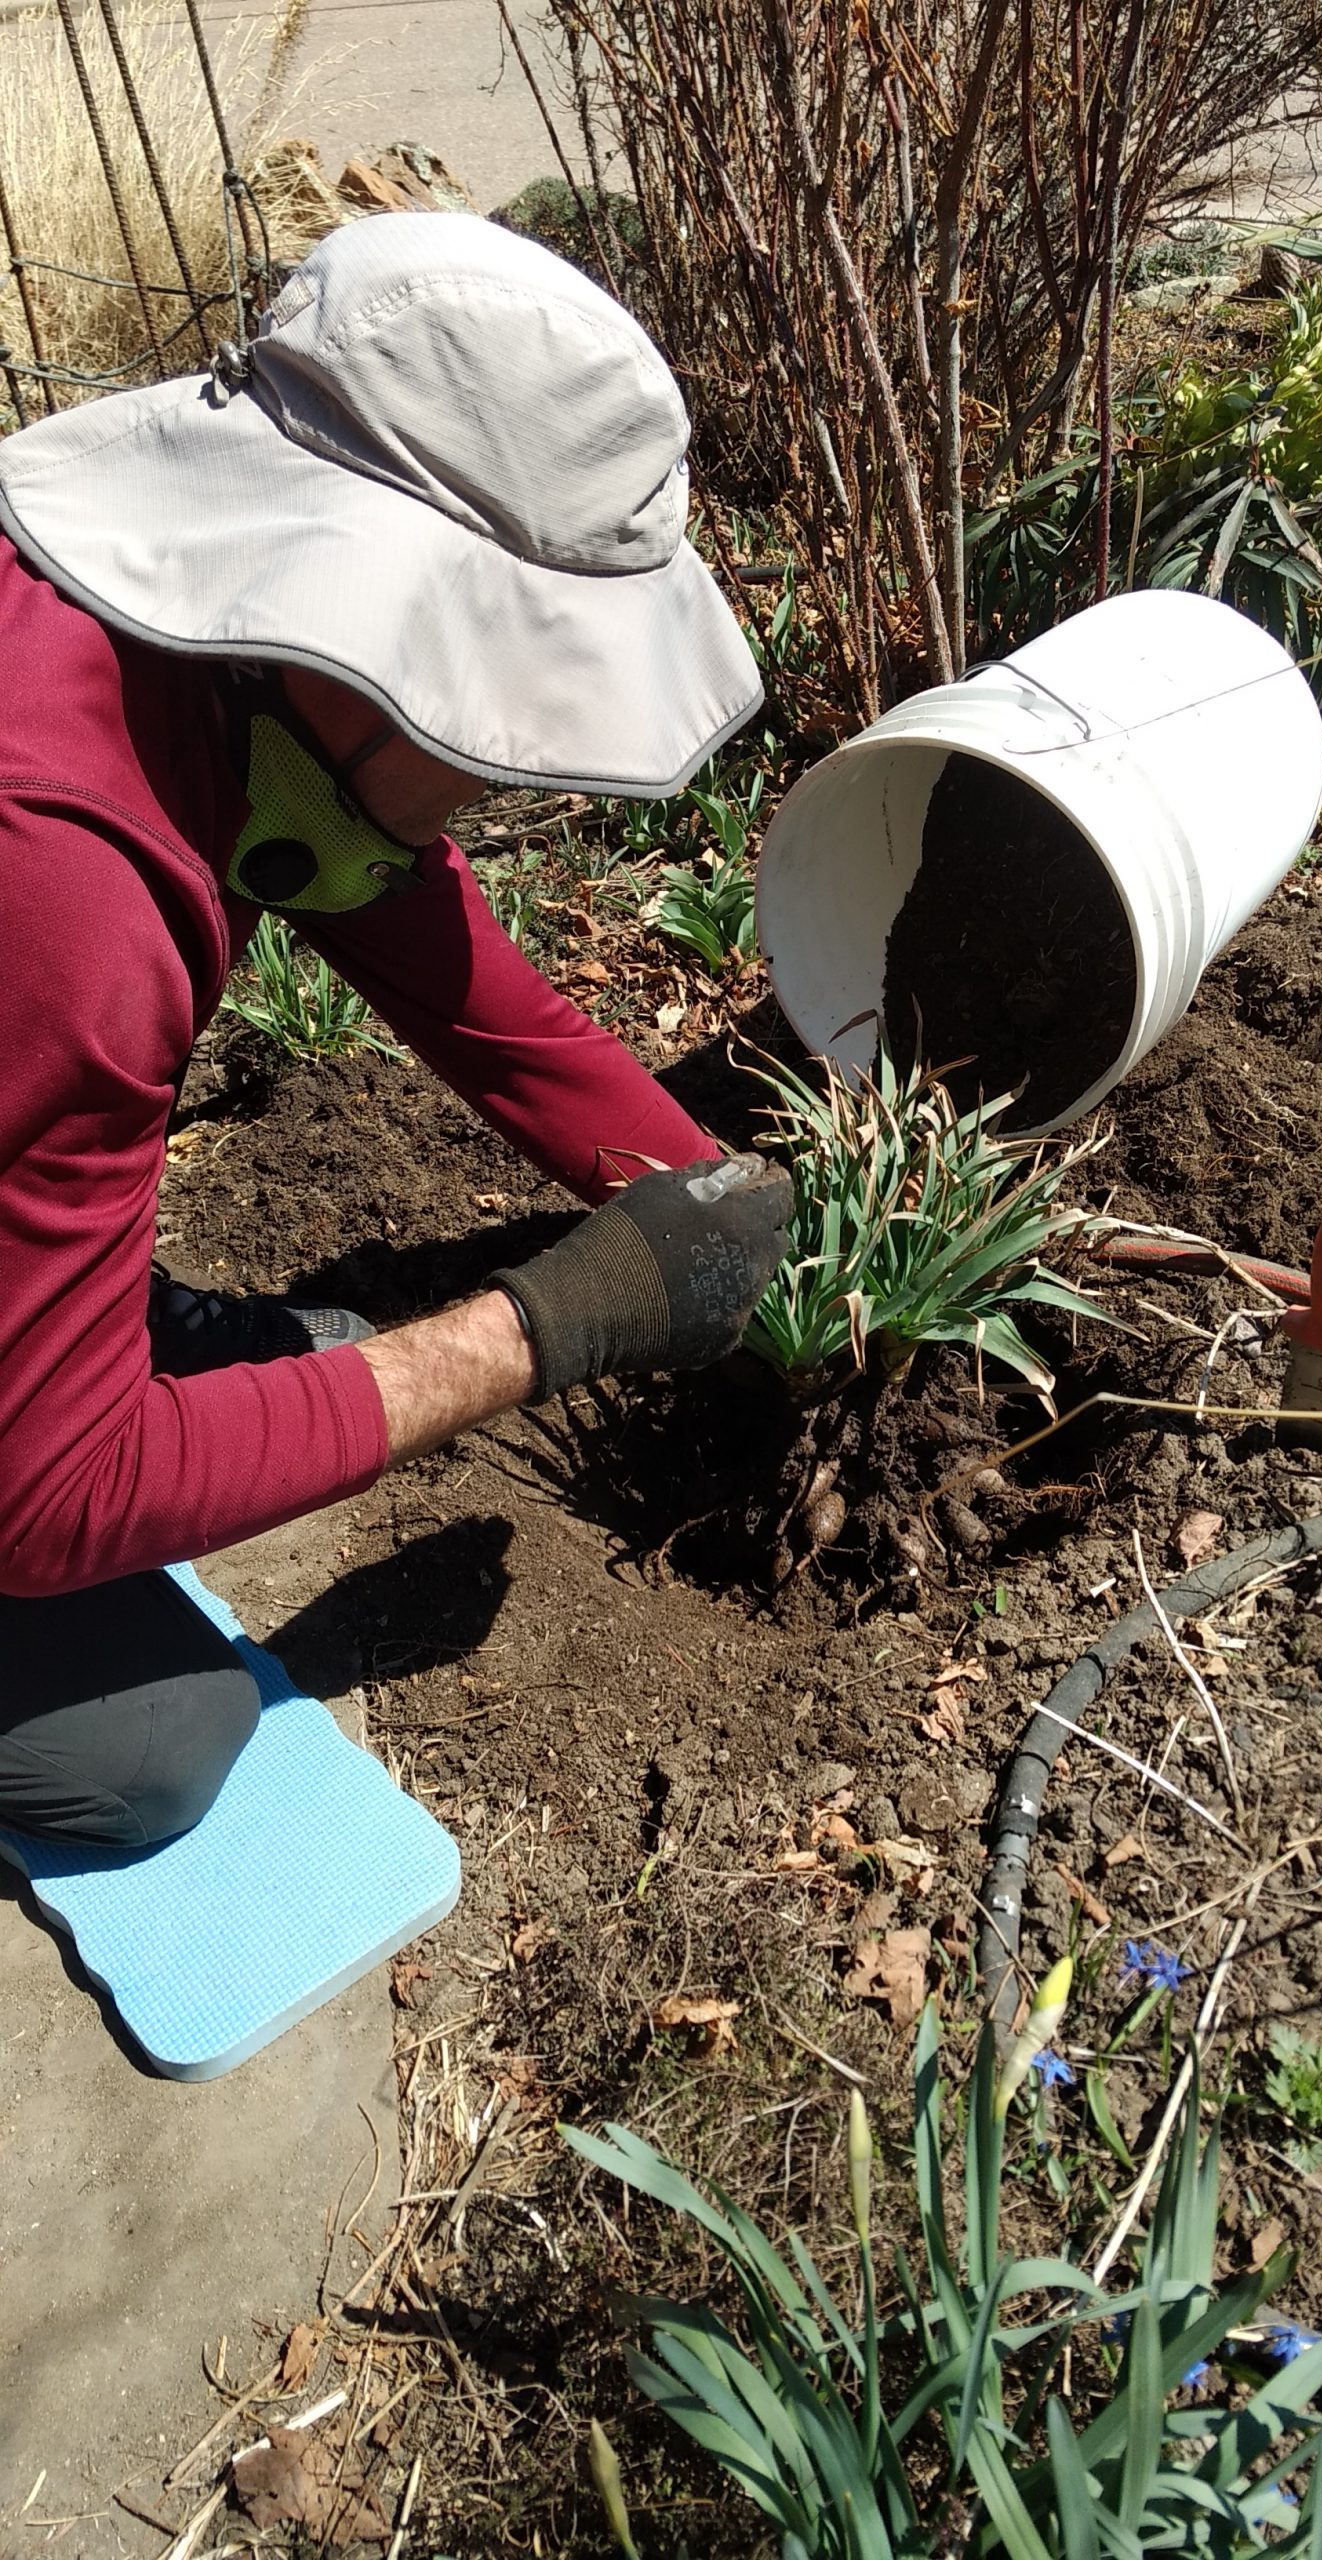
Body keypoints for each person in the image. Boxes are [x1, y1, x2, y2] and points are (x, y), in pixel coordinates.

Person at [0, 212, 792, 1851]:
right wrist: (541, 1326)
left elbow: (461, 986)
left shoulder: (179, 667)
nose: (515, 770)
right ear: (351, 630)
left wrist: (709, 1191)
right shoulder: (67, 896)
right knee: (146, 1748)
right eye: (500, 708)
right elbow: (50, 1499)